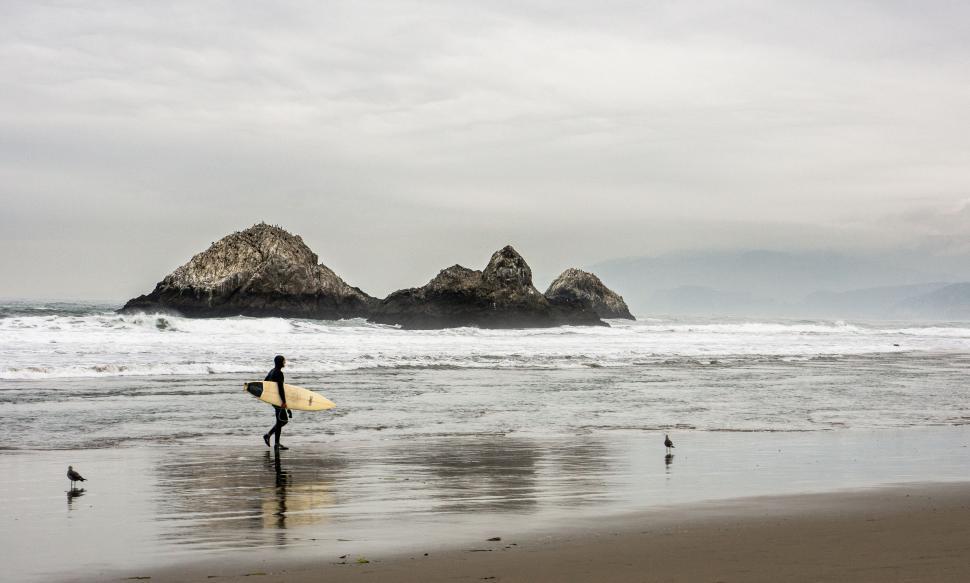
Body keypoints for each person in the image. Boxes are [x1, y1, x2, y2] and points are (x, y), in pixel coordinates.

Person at [263, 355, 292, 450]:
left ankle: (275, 442)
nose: (285, 363)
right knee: (282, 421)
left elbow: (265, 382)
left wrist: (270, 395)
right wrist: (284, 402)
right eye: (284, 361)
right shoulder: (279, 373)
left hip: (274, 400)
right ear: (280, 362)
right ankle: (270, 437)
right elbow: (281, 389)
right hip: (278, 400)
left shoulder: (272, 371)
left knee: (281, 421)